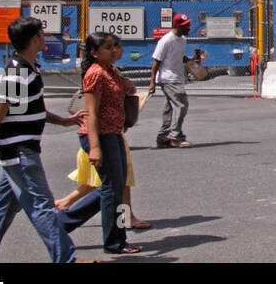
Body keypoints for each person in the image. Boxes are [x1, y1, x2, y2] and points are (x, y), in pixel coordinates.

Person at [0, 17, 88, 263]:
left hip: (17, 152)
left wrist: (64, 121)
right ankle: (65, 259)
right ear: (34, 39)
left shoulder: (29, 69)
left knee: (4, 207)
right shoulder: (16, 75)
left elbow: (27, 111)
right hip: (18, 152)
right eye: (42, 33)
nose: (45, 37)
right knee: (42, 205)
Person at [58, 32, 141, 254]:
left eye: (115, 45)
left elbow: (126, 95)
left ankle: (63, 223)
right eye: (108, 48)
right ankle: (114, 242)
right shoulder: (95, 74)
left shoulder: (112, 71)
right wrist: (94, 147)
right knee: (112, 189)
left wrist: (128, 87)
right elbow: (91, 114)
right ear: (94, 53)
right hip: (100, 135)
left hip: (113, 133)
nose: (114, 50)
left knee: (114, 188)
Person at [56, 139, 150, 230]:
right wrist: (95, 147)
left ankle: (65, 203)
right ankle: (126, 217)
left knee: (115, 177)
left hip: (110, 134)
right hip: (104, 136)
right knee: (116, 179)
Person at [150, 13, 193, 148]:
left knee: (168, 107)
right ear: (177, 26)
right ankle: (176, 137)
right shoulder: (166, 40)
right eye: (185, 26)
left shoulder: (183, 40)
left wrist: (192, 62)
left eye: (188, 25)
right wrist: (152, 81)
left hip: (177, 77)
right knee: (182, 105)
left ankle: (162, 138)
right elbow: (157, 62)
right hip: (168, 78)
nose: (188, 28)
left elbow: (180, 56)